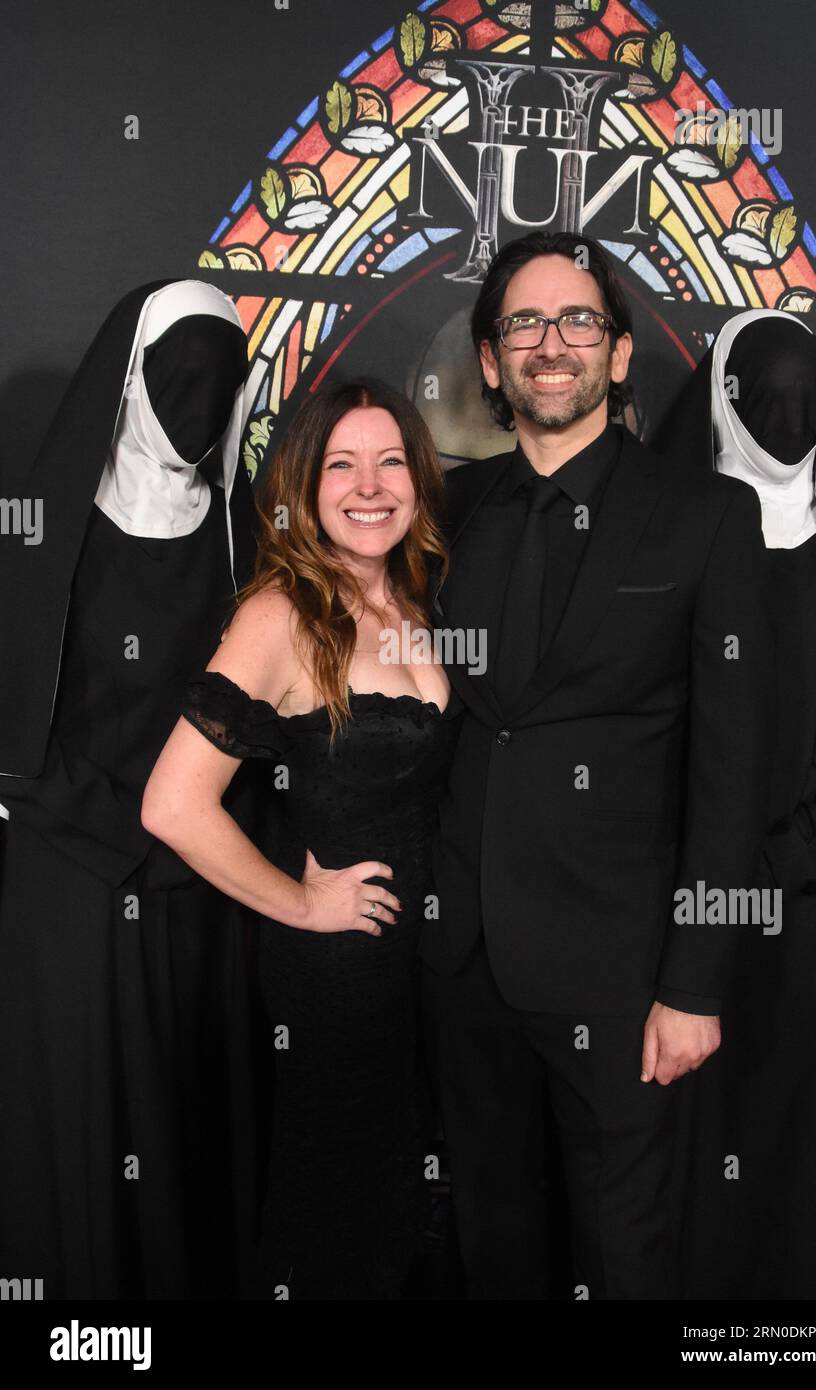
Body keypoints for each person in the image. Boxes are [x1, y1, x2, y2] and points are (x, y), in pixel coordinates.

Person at [420, 230, 774, 1300]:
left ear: (619, 354)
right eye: (522, 323)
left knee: (624, 1258)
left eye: (577, 320)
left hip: (625, 981)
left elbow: (733, 767)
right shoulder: (444, 510)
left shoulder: (709, 518)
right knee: (490, 1244)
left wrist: (694, 982)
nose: (549, 343)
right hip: (463, 960)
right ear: (488, 361)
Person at [142, 376, 462, 1300]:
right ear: (304, 485)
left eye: (391, 461)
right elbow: (172, 804)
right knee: (338, 1214)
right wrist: (302, 902)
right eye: (342, 465)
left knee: (416, 1206)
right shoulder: (280, 616)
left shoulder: (422, 602)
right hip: (337, 977)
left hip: (432, 969)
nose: (371, 485)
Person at [0, 279, 259, 1298]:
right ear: (131, 377)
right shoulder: (40, 534)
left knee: (178, 1109)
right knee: (70, 1110)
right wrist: (93, 820)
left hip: (195, 888)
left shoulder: (244, 541)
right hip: (64, 873)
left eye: (220, 379)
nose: (197, 399)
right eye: (177, 374)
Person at [662, 308, 816, 1299]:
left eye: (803, 396)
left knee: (811, 1154)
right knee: (694, 1145)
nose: (785, 418)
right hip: (696, 901)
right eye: (763, 395)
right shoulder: (667, 531)